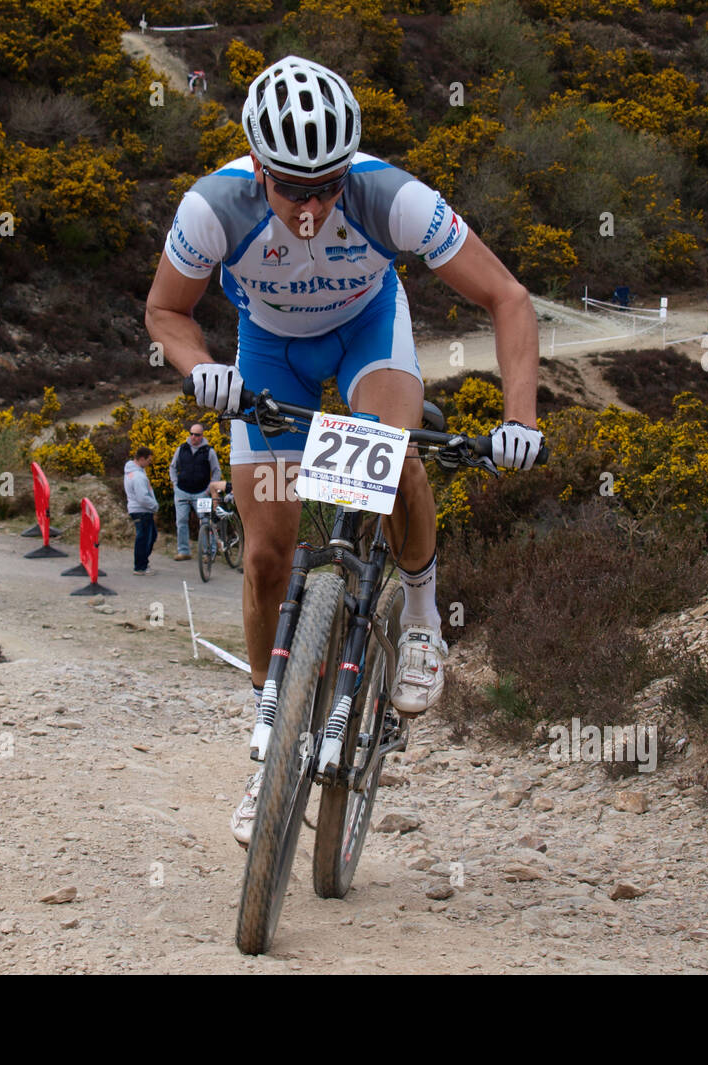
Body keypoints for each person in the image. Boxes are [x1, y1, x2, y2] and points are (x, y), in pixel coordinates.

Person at [143, 55, 545, 846]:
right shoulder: (211, 208)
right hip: (268, 350)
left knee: (390, 460)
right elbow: (165, 311)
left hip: (368, 332)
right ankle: (271, 743)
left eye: (329, 184)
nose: (315, 203)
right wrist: (206, 372)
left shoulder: (389, 197)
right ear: (258, 168)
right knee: (267, 555)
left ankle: (424, 616)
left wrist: (520, 418)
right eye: (294, 188)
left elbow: (509, 297)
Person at [169, 421, 222, 561]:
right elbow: (172, 467)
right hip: (182, 491)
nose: (193, 437)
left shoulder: (209, 451)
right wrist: (175, 483)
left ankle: (209, 553)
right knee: (181, 521)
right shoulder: (181, 449)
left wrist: (209, 489)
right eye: (191, 434)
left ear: (202, 435)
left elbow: (216, 471)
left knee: (205, 522)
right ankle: (183, 551)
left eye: (197, 435)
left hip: (201, 493)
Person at [124, 446, 159, 575]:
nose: (149, 463)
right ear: (142, 459)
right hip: (142, 510)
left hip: (140, 510)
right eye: (149, 460)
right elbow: (142, 497)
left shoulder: (134, 472)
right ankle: (140, 566)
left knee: (150, 536)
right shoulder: (138, 476)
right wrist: (154, 506)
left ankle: (142, 562)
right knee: (144, 538)